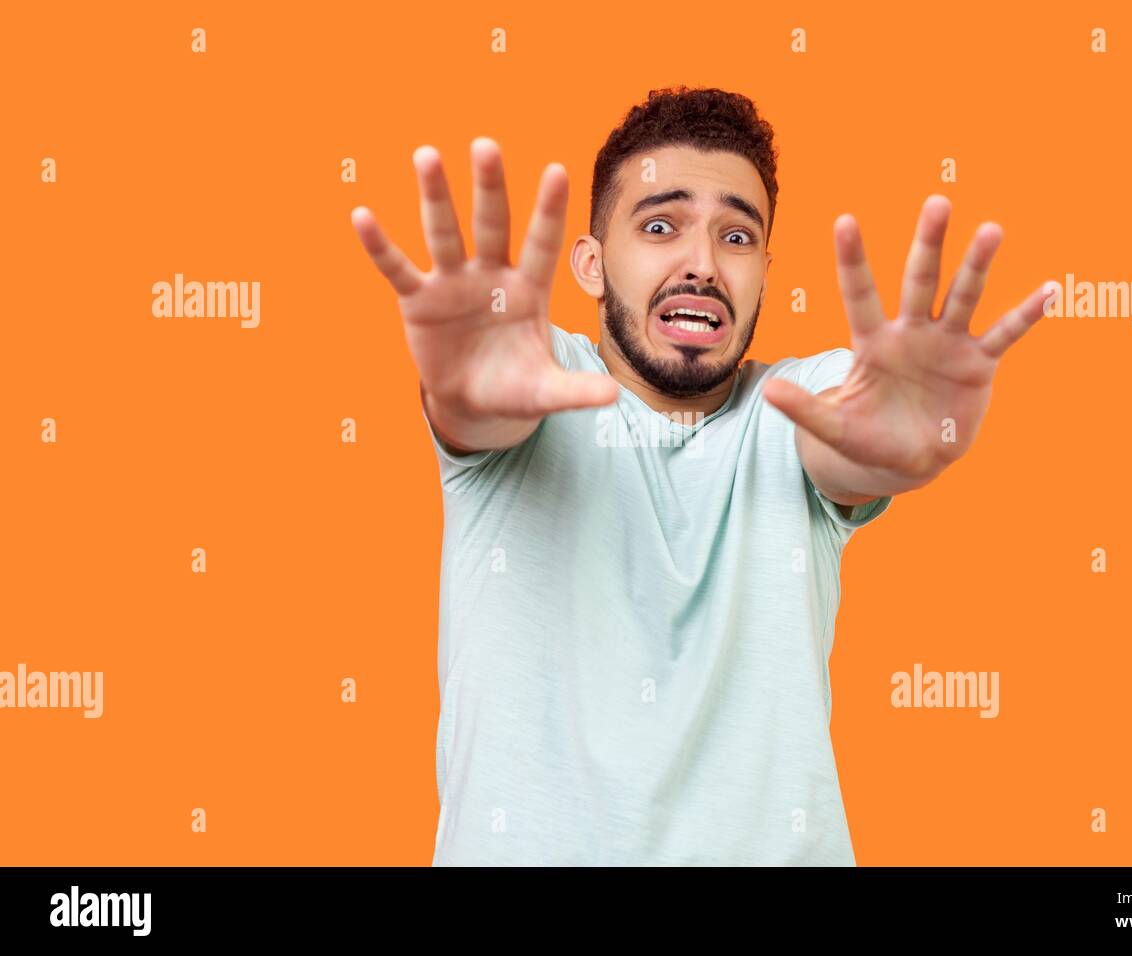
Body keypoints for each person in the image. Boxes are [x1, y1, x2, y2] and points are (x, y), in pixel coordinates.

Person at [351, 87, 1048, 865]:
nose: (703, 265)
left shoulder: (795, 407)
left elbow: (849, 443)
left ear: (764, 272)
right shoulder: (534, 381)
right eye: (659, 226)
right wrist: (463, 389)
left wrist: (905, 436)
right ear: (591, 263)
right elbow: (481, 412)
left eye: (738, 237)